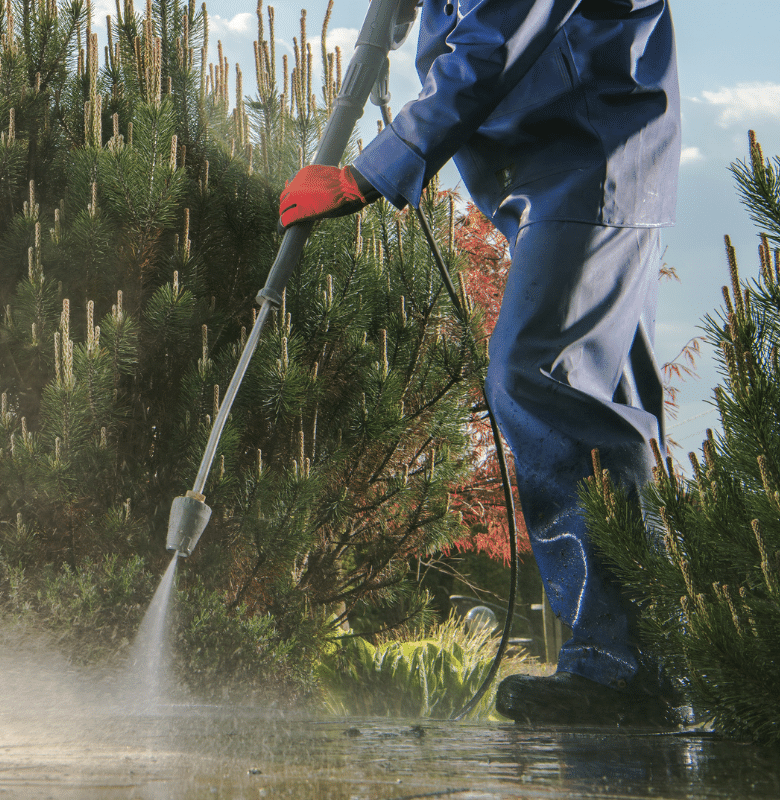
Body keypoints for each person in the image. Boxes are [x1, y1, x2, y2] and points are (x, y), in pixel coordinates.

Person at [279, 0, 680, 727]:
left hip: (588, 152)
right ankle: (649, 660)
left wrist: (370, 173)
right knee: (606, 404)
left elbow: (494, 39)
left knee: (537, 377)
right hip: (562, 156)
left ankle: (619, 668)